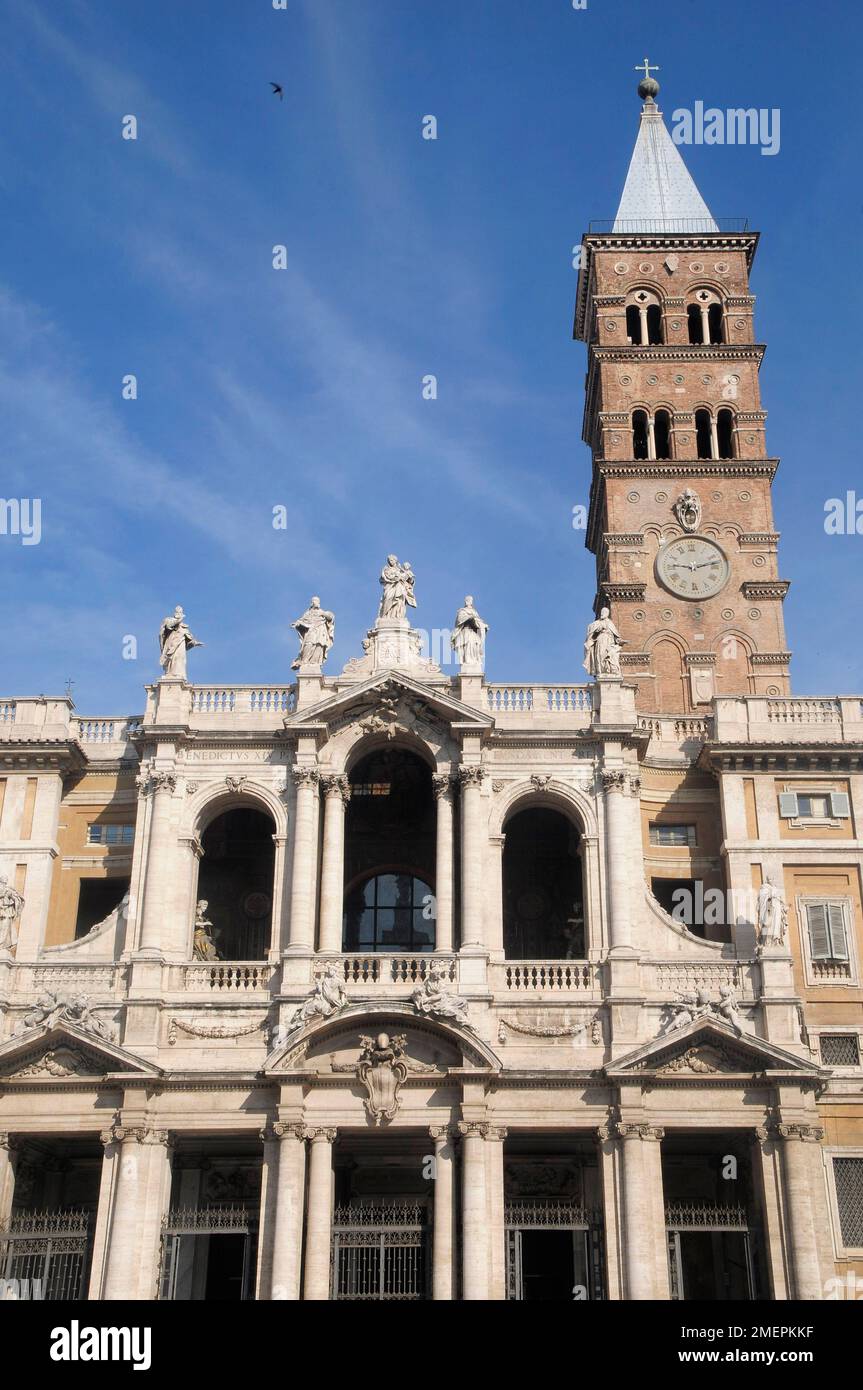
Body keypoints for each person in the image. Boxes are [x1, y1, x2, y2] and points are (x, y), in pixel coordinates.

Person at [159, 605, 203, 678]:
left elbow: (188, 641)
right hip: (171, 644)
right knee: (173, 659)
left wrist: (194, 643)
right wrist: (179, 620)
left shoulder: (184, 627)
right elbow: (168, 626)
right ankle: (171, 674)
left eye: (180, 612)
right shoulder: (168, 620)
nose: (179, 613)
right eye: (178, 611)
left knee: (180, 659)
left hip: (181, 645)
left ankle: (178, 675)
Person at [291, 596, 335, 669]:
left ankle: (315, 663)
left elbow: (331, 617)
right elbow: (303, 620)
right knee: (308, 644)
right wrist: (297, 624)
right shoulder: (308, 613)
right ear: (311, 603)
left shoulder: (322, 612)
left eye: (318, 601)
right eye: (315, 601)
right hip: (311, 631)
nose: (316, 602)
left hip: (320, 631)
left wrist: (324, 614)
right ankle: (305, 662)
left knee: (319, 645)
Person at [583, 607, 624, 677]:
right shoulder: (596, 623)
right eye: (602, 612)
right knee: (601, 655)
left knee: (608, 656)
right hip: (600, 640)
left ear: (607, 614)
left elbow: (616, 636)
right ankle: (601, 671)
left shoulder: (610, 623)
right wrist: (597, 630)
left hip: (609, 642)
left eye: (604, 612)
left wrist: (620, 641)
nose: (602, 613)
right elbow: (590, 633)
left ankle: (608, 670)